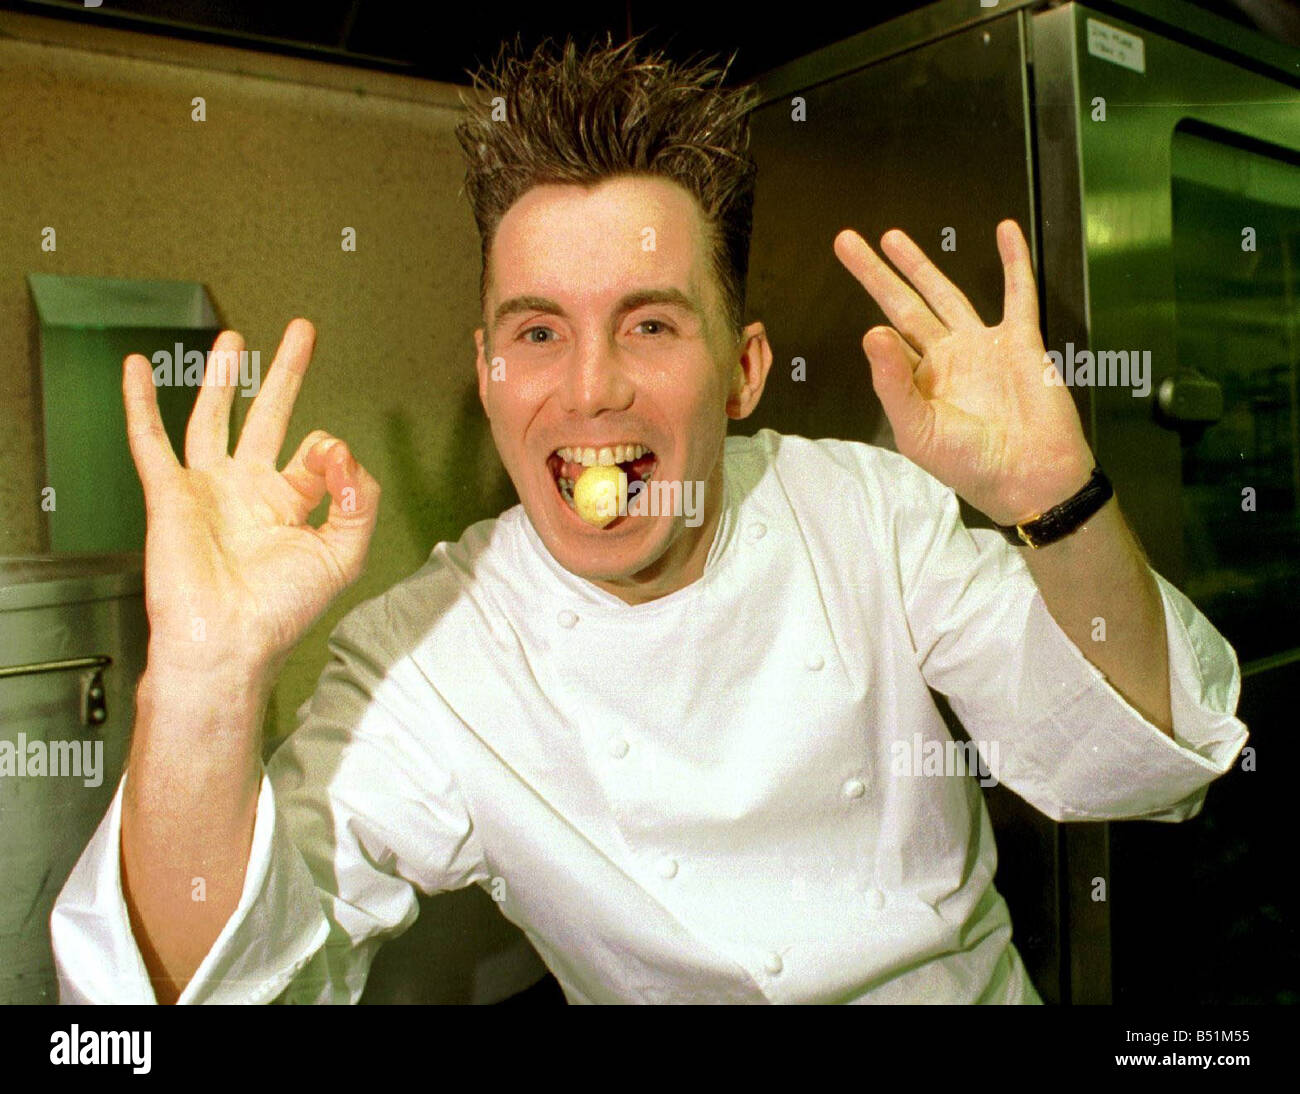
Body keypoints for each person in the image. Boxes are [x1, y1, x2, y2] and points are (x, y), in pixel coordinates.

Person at [51, 33, 1248, 1005]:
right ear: (488, 373)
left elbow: (1126, 756)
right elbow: (185, 994)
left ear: (742, 369)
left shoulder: (864, 512)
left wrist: (1060, 499)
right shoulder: (434, 651)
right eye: (537, 330)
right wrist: (200, 682)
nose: (588, 388)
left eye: (650, 323)